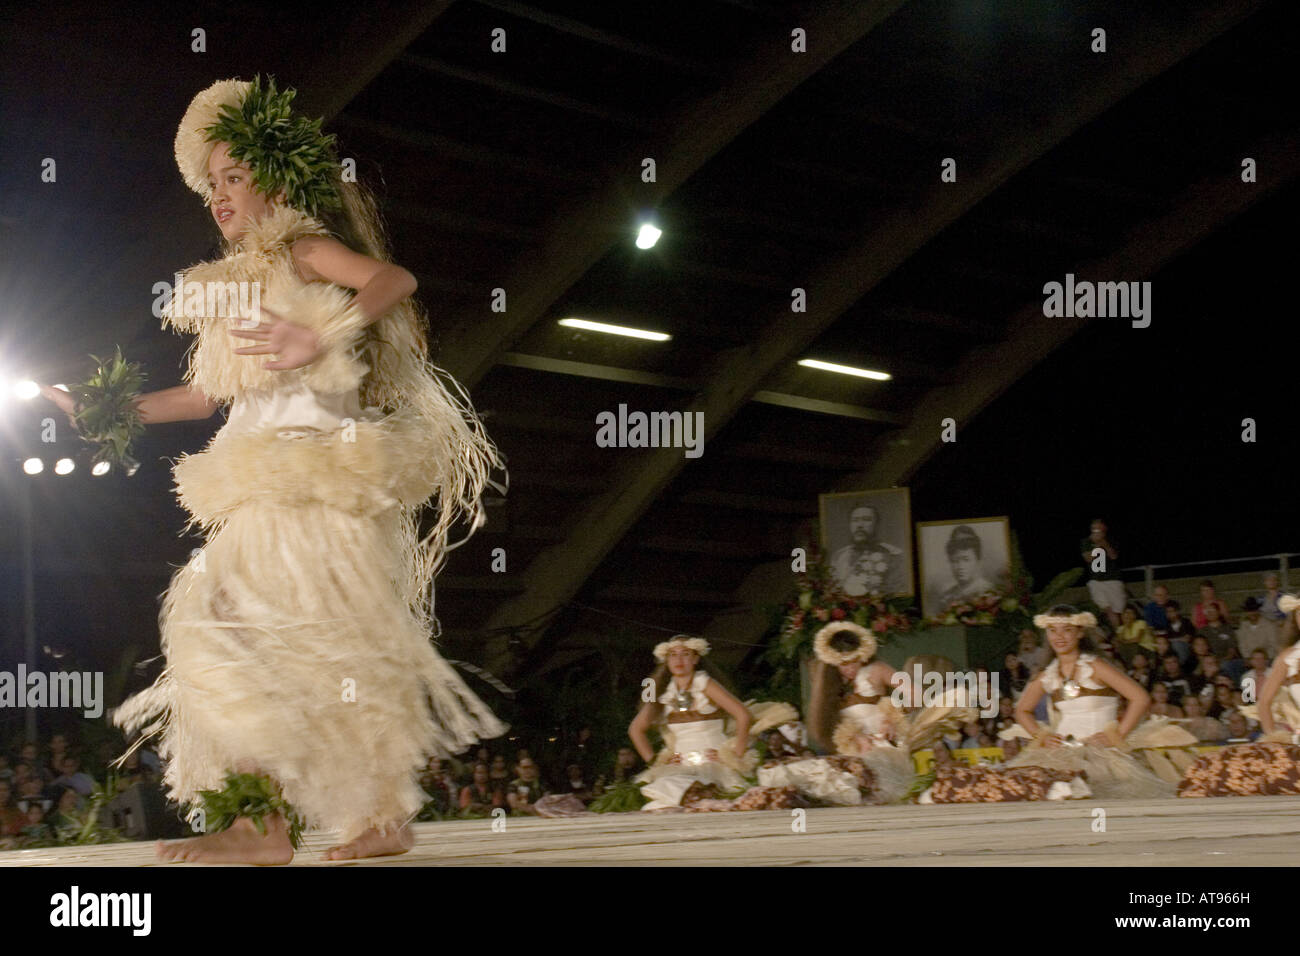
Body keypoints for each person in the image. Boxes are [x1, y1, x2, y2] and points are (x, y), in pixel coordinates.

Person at [42, 76, 505, 864]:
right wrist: (108, 412)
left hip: (315, 482)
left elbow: (394, 282)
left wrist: (319, 338)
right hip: (262, 485)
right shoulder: (232, 285)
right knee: (246, 635)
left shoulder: (300, 250)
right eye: (211, 183)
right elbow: (201, 397)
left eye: (233, 177)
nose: (219, 195)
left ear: (275, 177)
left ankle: (312, 822)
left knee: (279, 637)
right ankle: (313, 819)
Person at [629, 636, 789, 810]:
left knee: (700, 790)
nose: (678, 660)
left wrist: (735, 753)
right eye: (673, 655)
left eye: (685, 654)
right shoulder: (662, 692)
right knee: (660, 789)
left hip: (714, 764)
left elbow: (743, 715)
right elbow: (636, 730)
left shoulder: (704, 683)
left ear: (696, 658)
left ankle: (699, 795)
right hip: (679, 767)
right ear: (666, 660)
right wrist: (655, 761)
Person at [1178, 594, 1300, 797]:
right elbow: (1258, 702)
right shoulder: (1256, 674)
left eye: (1262, 659)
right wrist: (1273, 737)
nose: (1259, 662)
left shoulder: (1268, 671)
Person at [830, 504, 905, 597]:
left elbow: (897, 592)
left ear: (877, 524)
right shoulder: (839, 556)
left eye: (866, 519)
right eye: (855, 520)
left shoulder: (893, 555)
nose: (859, 525)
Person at [933, 525, 997, 613]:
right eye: (954, 561)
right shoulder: (946, 596)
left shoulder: (989, 592)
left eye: (966, 560)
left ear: (977, 561)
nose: (960, 567)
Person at [1080, 519, 1125, 628]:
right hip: (1096, 580)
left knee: (1118, 611)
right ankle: (1115, 633)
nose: (1097, 531)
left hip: (1113, 578)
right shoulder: (1086, 542)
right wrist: (1097, 546)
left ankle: (1120, 632)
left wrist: (1104, 543)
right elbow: (1088, 558)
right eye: (1094, 529)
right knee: (1106, 608)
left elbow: (1114, 556)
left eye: (1099, 529)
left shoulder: (1111, 540)